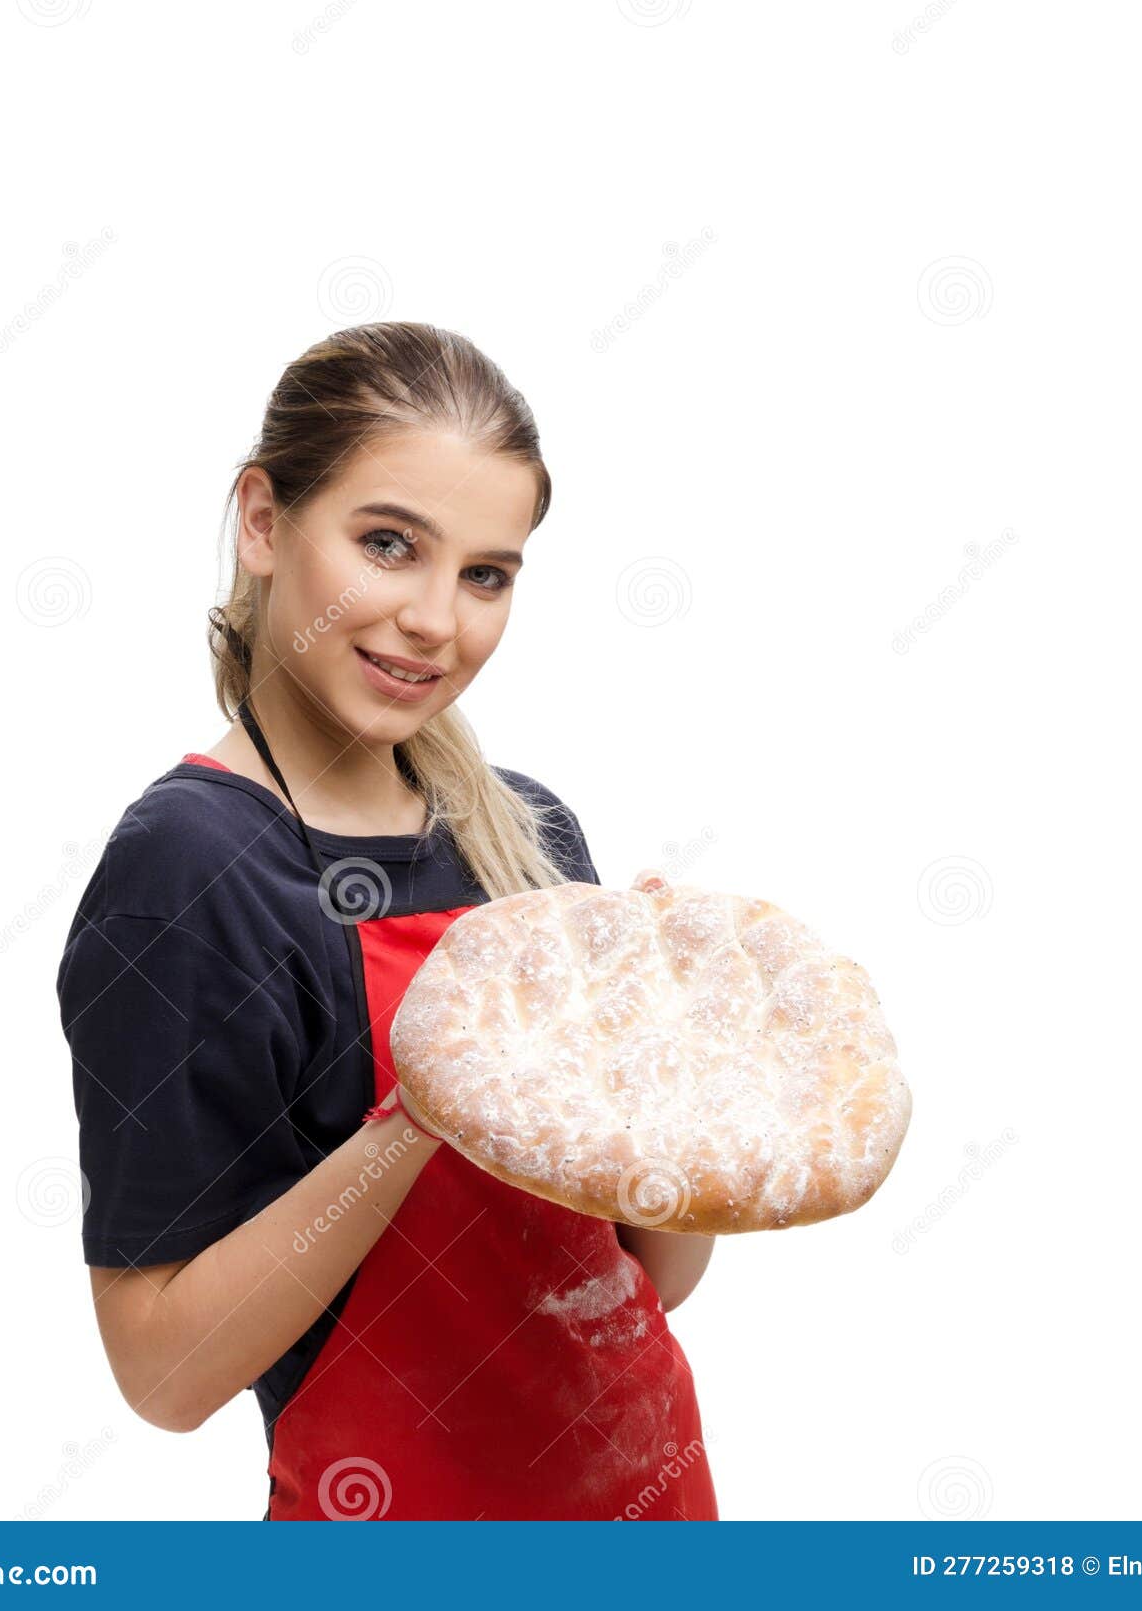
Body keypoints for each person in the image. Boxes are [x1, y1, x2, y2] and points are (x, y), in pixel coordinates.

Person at [55, 321, 719, 1520]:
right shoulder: (189, 870)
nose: (433, 619)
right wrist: (426, 1107)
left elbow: (644, 1280)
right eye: (386, 545)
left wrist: (674, 1073)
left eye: (485, 573)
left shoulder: (532, 833)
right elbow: (161, 1372)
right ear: (263, 522)